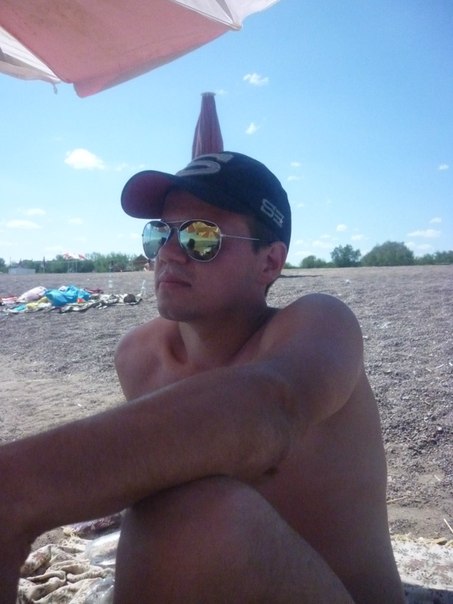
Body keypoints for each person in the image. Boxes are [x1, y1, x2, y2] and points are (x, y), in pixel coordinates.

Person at [0, 152, 404, 603]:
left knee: (184, 515)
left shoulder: (320, 325)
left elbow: (269, 408)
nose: (169, 253)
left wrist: (18, 490)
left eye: (201, 236)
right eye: (159, 233)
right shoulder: (140, 357)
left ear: (269, 262)